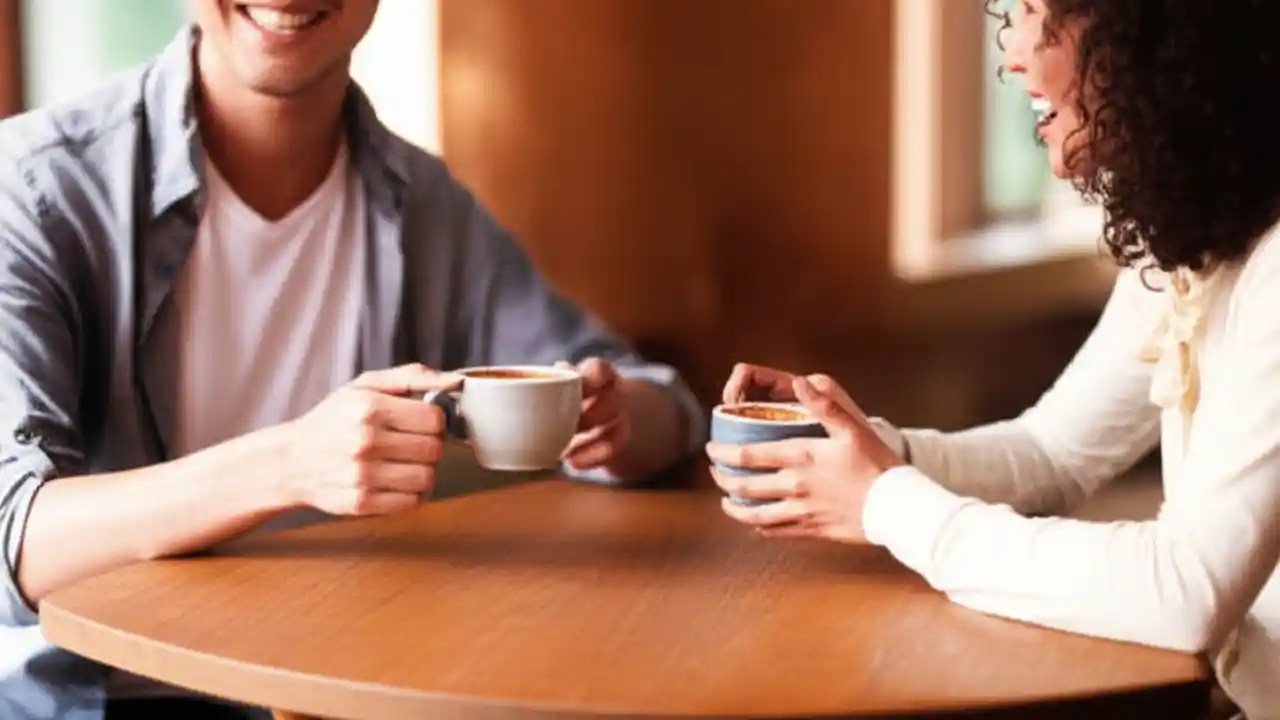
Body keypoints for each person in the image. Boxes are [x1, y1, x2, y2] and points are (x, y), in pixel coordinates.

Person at [0, 3, 700, 718]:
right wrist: (290, 463)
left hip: (341, 685)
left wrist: (614, 419)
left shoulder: (422, 203)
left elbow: (662, 403)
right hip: (104, 698)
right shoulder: (35, 187)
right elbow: (13, 539)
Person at [708, 1, 1279, 717]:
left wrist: (885, 504)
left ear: (1154, 42)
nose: (1011, 55)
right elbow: (1052, 455)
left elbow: (1185, 592)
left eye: (1038, 14)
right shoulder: (1198, 234)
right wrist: (862, 451)